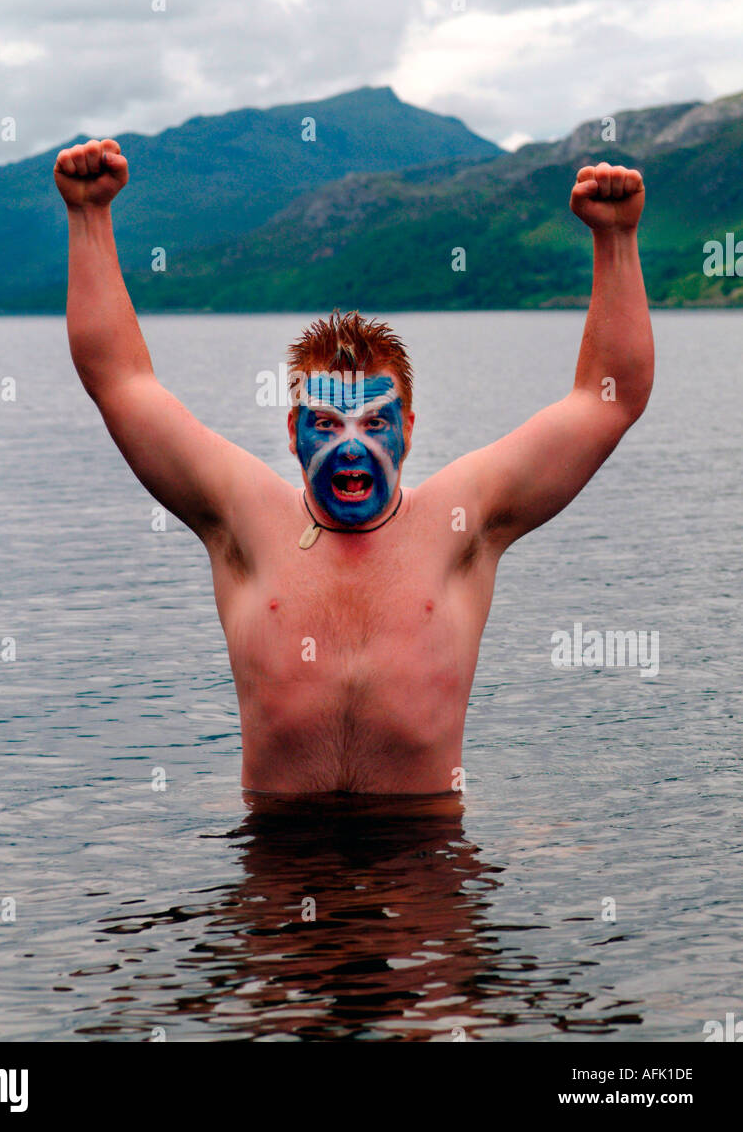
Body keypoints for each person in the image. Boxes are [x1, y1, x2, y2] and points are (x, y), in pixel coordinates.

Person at [54, 138, 653, 795]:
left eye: (374, 423)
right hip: (275, 863)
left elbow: (609, 397)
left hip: (427, 861)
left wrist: (617, 239)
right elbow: (120, 382)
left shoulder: (460, 522)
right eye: (326, 422)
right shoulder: (244, 518)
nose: (350, 444)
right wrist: (90, 219)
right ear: (291, 432)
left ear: (409, 432)